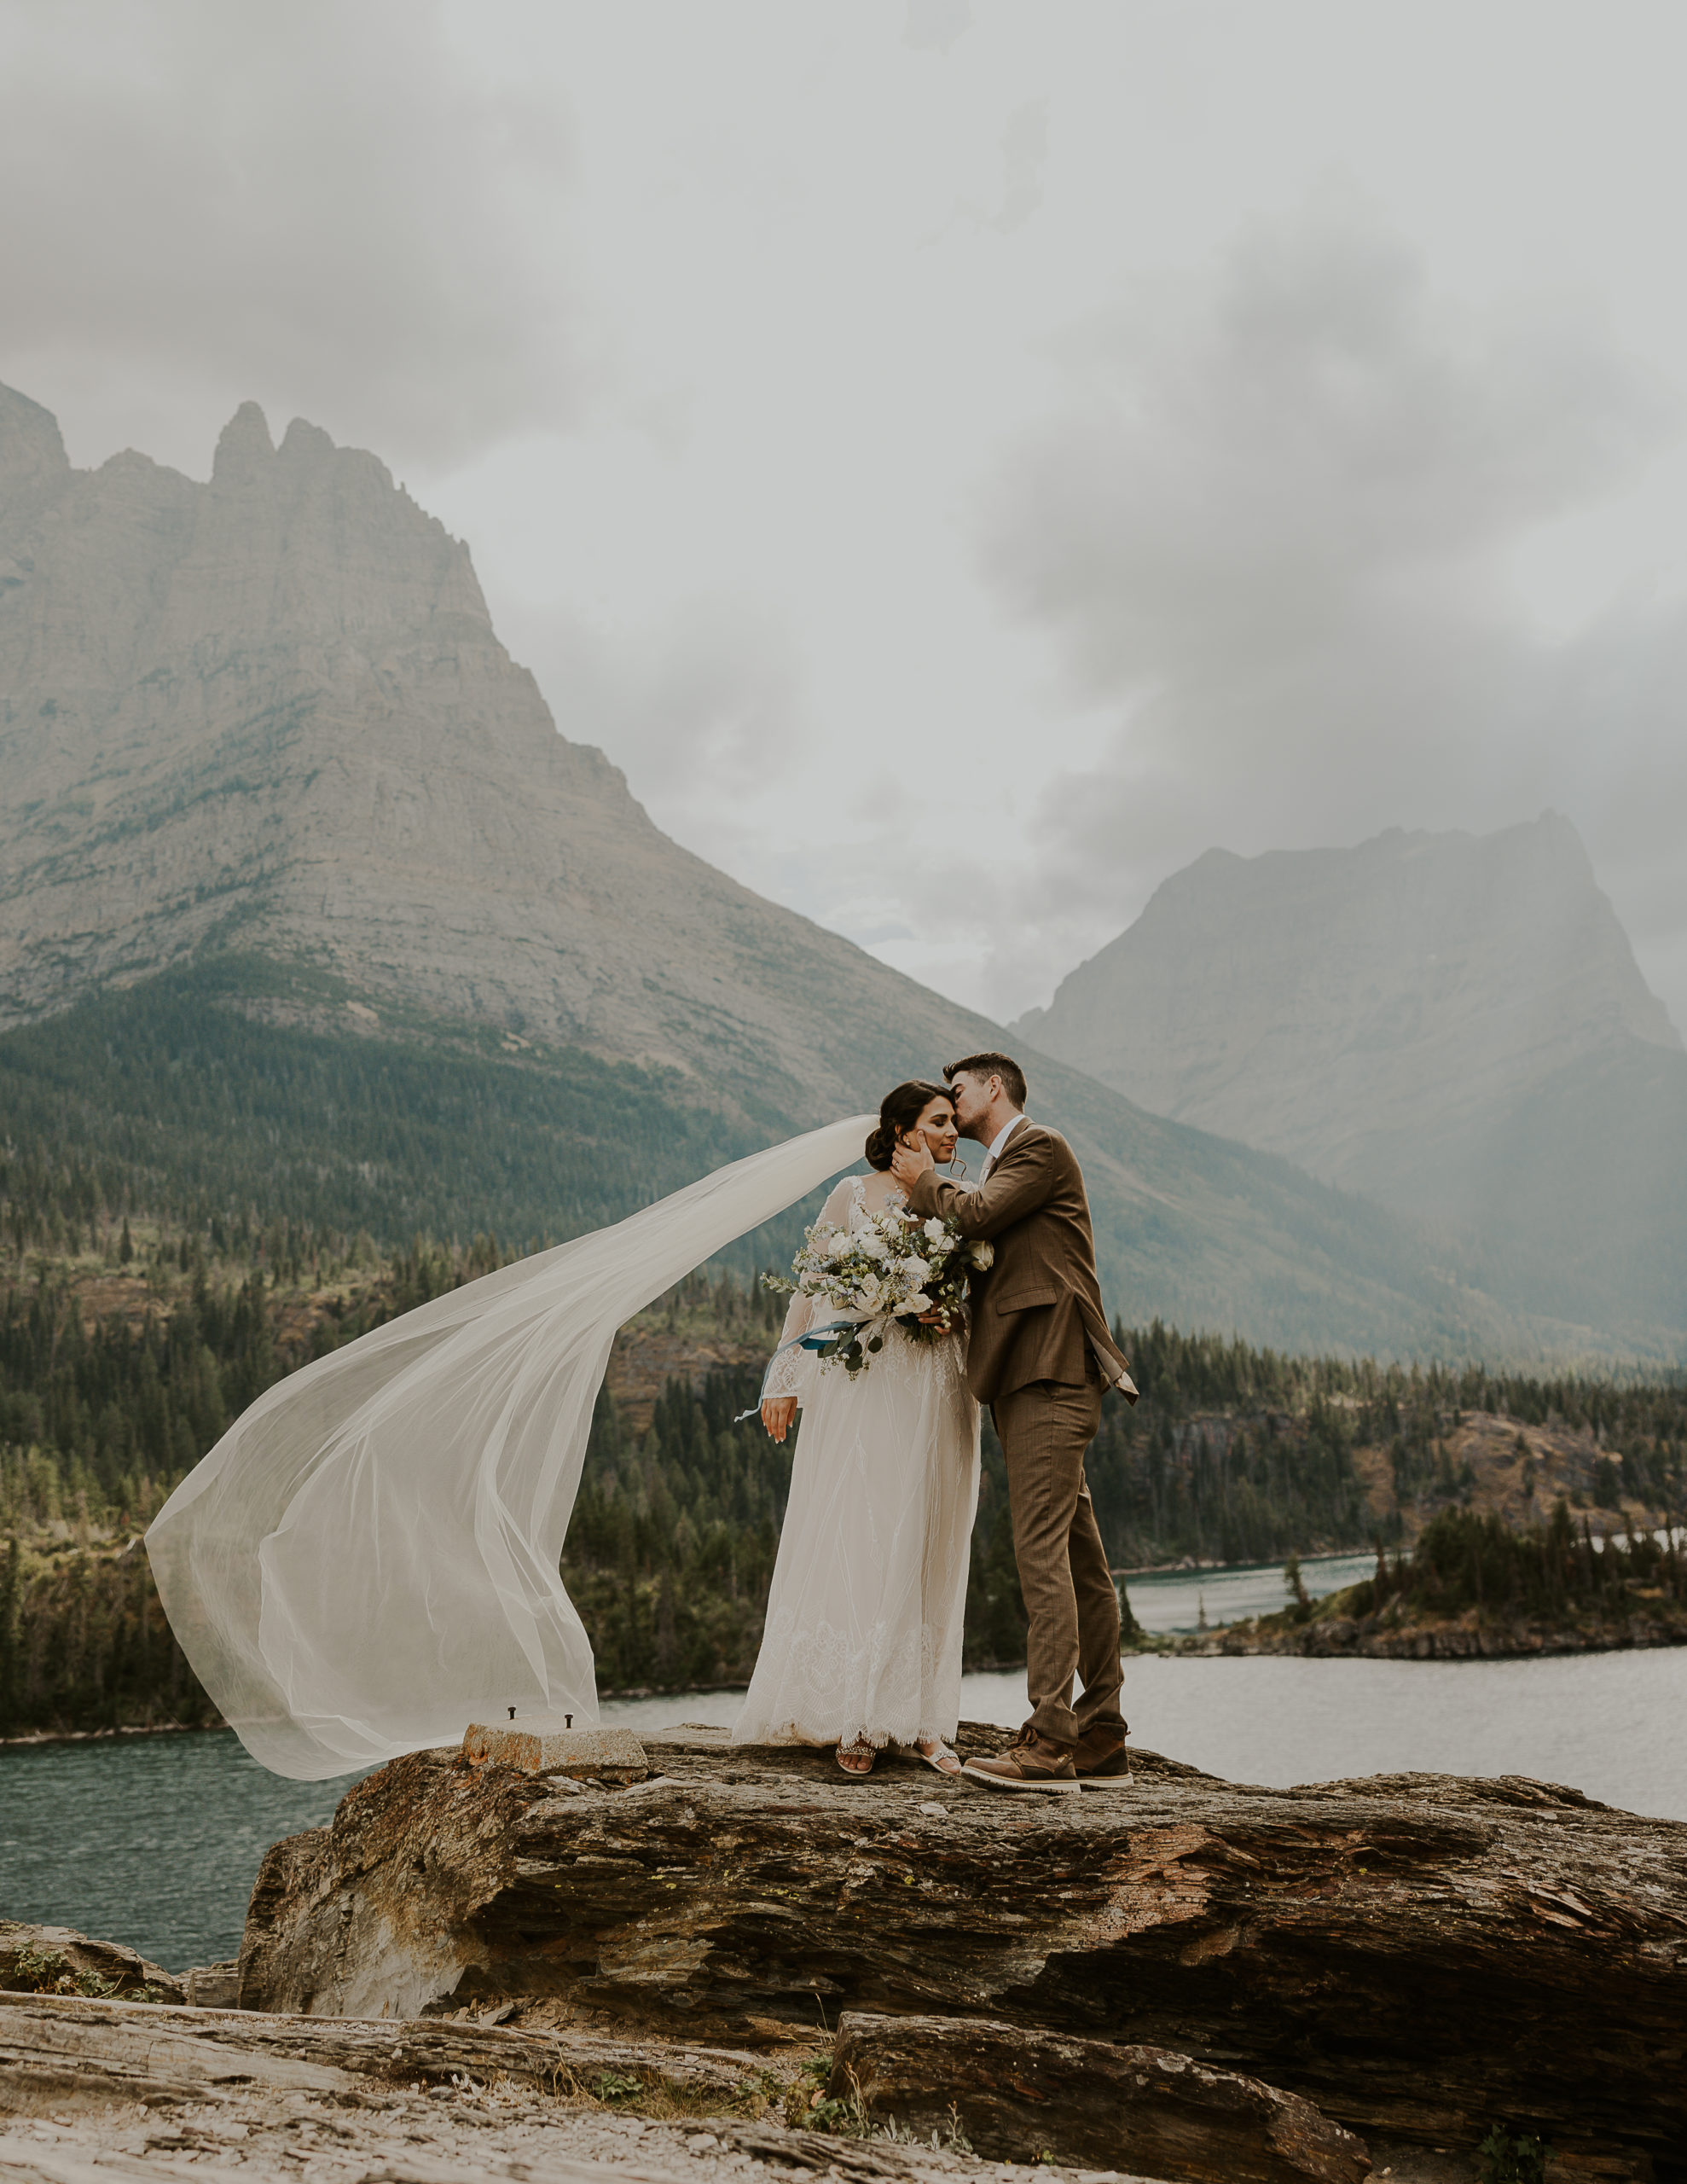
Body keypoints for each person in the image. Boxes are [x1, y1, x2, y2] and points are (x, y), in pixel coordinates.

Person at [890, 1051, 1137, 1788]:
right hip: (1030, 1377)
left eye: (958, 1092)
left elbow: (978, 1215)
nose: (952, 1103)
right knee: (1081, 1561)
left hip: (1050, 1373)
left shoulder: (1038, 1146)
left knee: (1041, 1555)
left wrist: (921, 1182)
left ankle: (1049, 1743)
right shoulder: (1003, 1167)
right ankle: (1103, 1735)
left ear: (993, 1088)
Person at [733, 1081, 981, 1776]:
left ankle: (922, 1719)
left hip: (936, 1380)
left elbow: (975, 1289)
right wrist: (782, 1380)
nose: (951, 1133)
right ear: (902, 1128)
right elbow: (812, 1289)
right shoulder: (851, 1195)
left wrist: (941, 1309)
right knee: (856, 1528)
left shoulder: (958, 1199)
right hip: (864, 1381)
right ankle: (853, 1714)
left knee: (927, 1530)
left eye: (954, 1124)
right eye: (938, 1122)